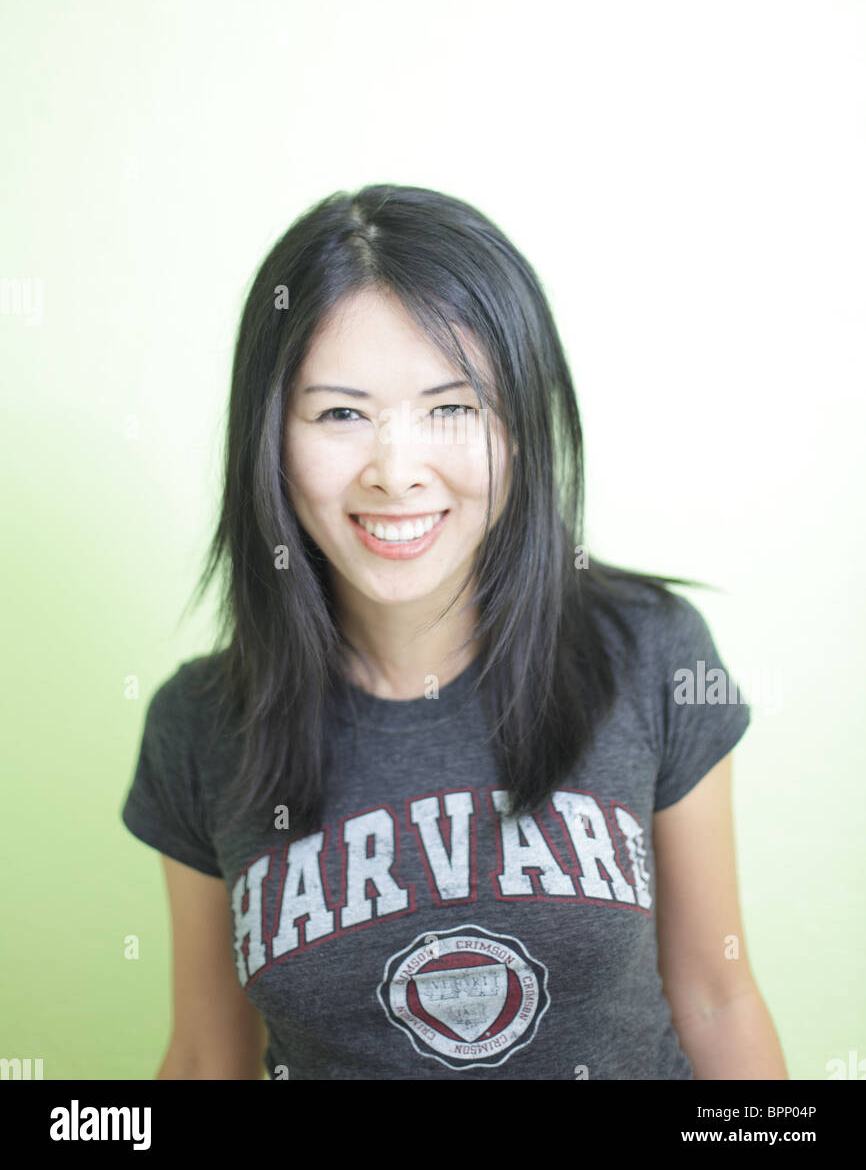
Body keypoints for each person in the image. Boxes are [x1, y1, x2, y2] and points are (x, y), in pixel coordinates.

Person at [121, 183, 787, 1080]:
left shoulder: (651, 655)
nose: (397, 471)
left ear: (521, 430)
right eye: (341, 413)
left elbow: (719, 996)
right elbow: (208, 1055)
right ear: (270, 439)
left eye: (453, 407)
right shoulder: (199, 727)